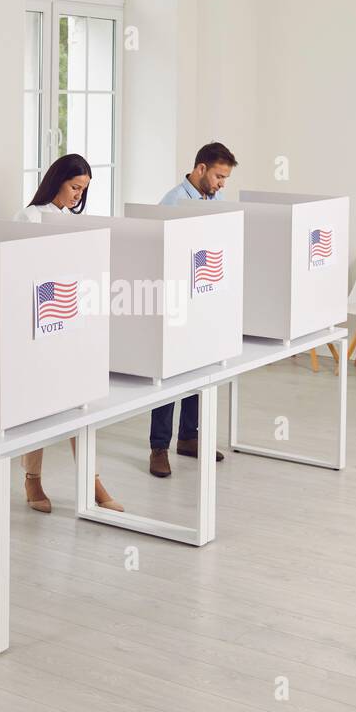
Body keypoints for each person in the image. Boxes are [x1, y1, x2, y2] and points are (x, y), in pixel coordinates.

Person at [15, 154, 123, 514]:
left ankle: (91, 480)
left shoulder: (72, 221)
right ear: (57, 180)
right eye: (75, 186)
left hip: (71, 322)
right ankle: (32, 481)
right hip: (38, 325)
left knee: (82, 404)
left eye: (84, 190)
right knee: (39, 410)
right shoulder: (29, 217)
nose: (78, 195)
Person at [148, 142, 238, 479]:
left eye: (225, 178)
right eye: (218, 176)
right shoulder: (173, 203)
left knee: (199, 370)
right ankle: (159, 447)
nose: (221, 183)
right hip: (175, 301)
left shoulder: (214, 202)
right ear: (200, 169)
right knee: (170, 374)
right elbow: (161, 252)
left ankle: (188, 437)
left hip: (203, 296)